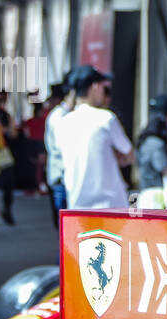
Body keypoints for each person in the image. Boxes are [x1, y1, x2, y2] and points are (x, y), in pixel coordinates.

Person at [53, 65, 133, 210]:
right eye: (103, 86)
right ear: (95, 86)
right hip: (111, 206)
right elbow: (129, 153)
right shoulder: (105, 118)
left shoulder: (63, 123)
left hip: (77, 207)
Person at [44, 84, 73, 226]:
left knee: (65, 225)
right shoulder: (59, 116)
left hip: (62, 176)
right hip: (61, 176)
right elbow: (61, 147)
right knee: (64, 226)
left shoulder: (61, 115)